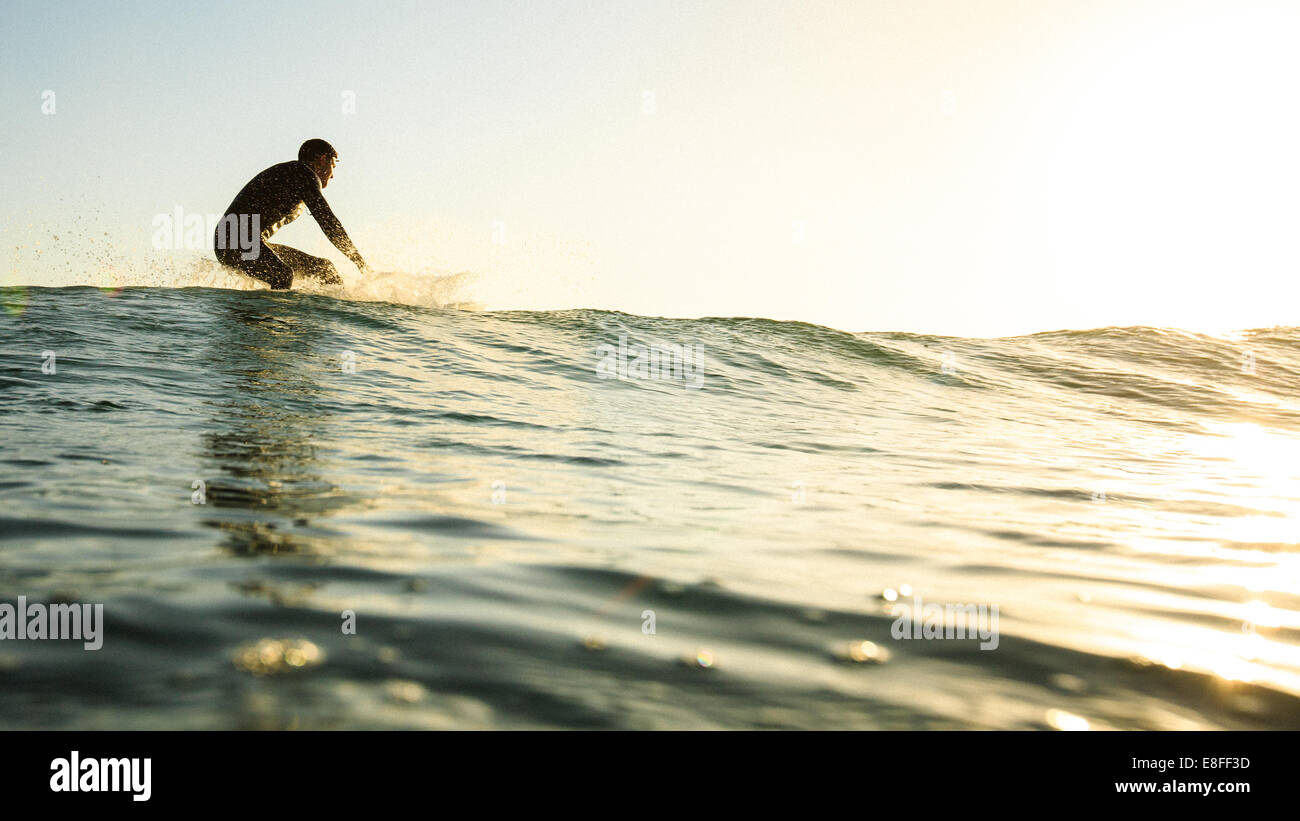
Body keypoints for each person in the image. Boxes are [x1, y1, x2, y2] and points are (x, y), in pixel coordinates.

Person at [213, 139, 369, 289]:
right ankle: (269, 316)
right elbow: (327, 220)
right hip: (235, 239)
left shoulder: (294, 174)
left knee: (323, 268)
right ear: (322, 160)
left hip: (241, 240)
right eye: (333, 165)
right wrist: (358, 260)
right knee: (283, 275)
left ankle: (331, 313)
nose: (332, 174)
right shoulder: (303, 174)